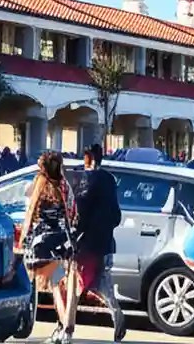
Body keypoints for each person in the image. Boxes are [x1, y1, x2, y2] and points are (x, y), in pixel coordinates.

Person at [18, 152, 78, 344]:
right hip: (63, 241)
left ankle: (63, 326)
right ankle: (65, 328)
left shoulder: (40, 183)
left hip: (43, 243)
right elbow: (73, 212)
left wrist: (24, 239)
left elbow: (30, 210)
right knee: (61, 283)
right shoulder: (64, 185)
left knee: (51, 284)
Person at [72, 144, 126, 342]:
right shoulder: (109, 180)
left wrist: (75, 231)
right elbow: (116, 215)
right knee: (101, 281)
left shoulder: (88, 180)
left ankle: (66, 324)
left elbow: (81, 212)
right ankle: (115, 311)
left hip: (87, 243)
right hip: (105, 241)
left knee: (76, 283)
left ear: (89, 158)